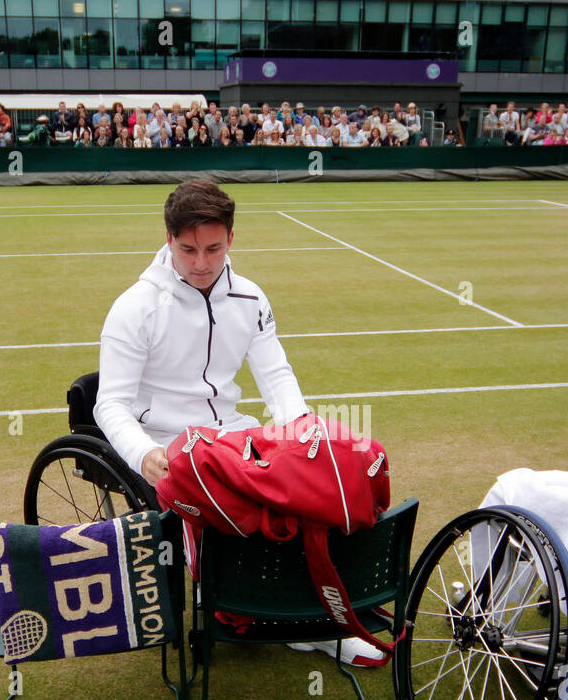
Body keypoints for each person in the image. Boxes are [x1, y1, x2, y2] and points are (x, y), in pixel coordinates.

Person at [93, 179, 383, 666]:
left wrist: (303, 434)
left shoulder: (250, 297)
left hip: (233, 432)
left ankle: (317, 617)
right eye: (188, 249)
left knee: (315, 485)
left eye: (213, 248)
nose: (201, 263)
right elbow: (110, 404)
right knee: (224, 498)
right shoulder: (134, 308)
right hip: (169, 442)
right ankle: (242, 605)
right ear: (169, 241)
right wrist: (145, 455)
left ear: (232, 238)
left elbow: (277, 378)